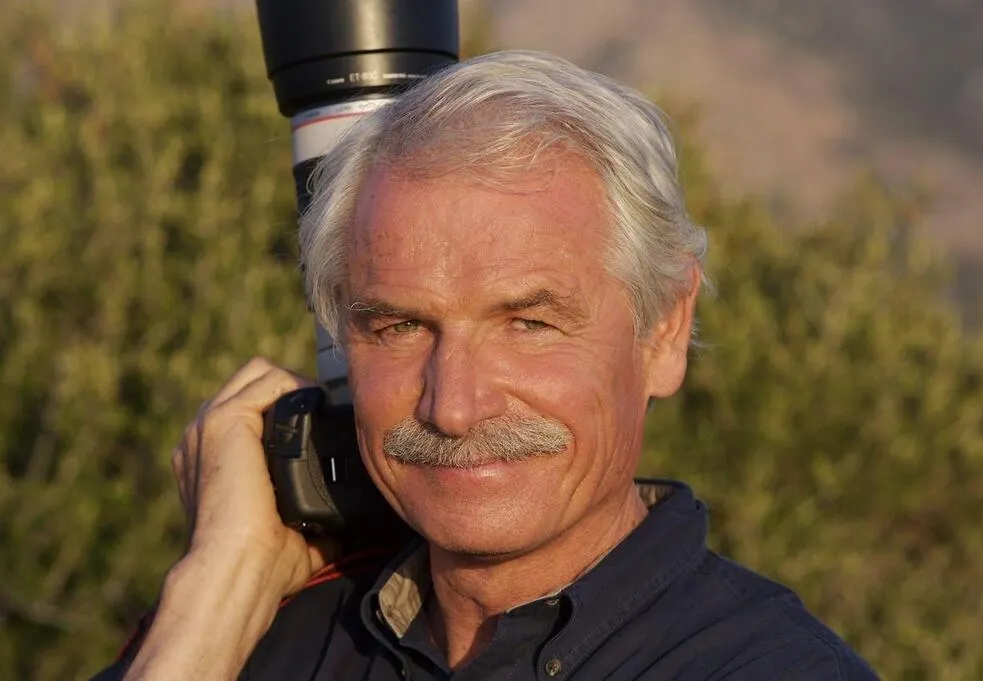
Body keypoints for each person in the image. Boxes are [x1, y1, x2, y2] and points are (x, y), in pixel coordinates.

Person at [93, 51, 878, 680]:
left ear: (664, 330)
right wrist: (209, 600)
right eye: (400, 326)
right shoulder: (256, 639)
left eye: (529, 323)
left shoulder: (766, 666)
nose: (455, 405)